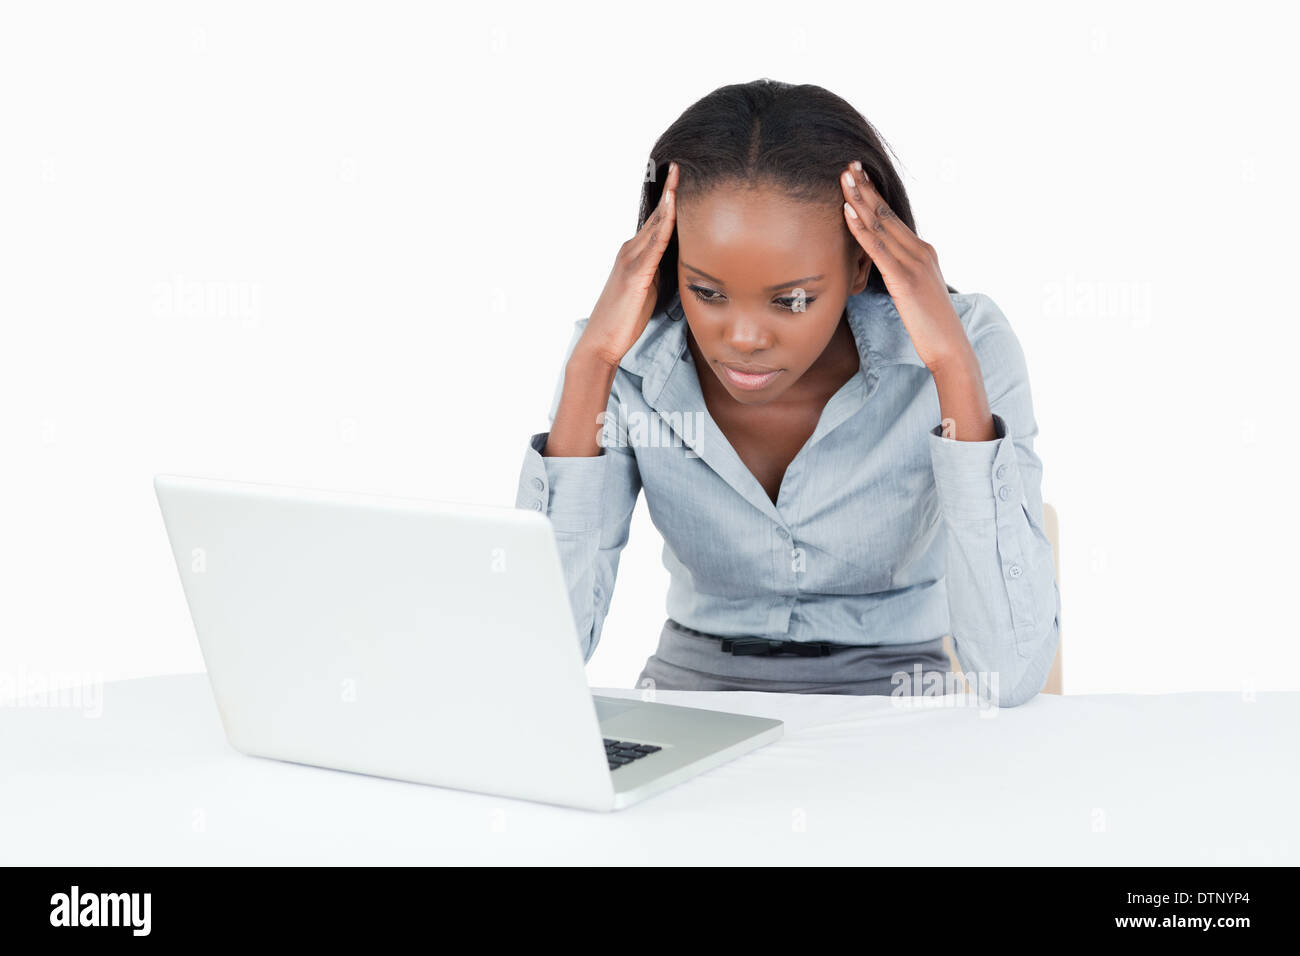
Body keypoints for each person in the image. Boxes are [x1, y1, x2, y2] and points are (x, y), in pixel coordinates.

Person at [514, 78, 1061, 706]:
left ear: (862, 265)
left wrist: (951, 370)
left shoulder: (966, 346)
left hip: (898, 697)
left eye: (791, 299)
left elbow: (1011, 673)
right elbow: (538, 659)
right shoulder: (624, 364)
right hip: (695, 694)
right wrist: (591, 365)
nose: (742, 338)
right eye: (707, 292)